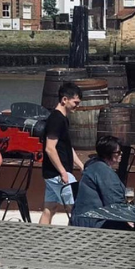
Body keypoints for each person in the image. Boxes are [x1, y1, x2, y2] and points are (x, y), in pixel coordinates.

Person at [40, 82, 83, 225]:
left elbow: (66, 146)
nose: (77, 105)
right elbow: (50, 148)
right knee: (75, 207)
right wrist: (63, 172)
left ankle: (39, 238)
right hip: (59, 174)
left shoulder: (62, 119)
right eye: (75, 102)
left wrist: (81, 165)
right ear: (64, 100)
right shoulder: (56, 119)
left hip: (52, 173)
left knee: (50, 208)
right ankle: (76, 239)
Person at [72, 135, 127, 227]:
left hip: (83, 218)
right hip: (94, 222)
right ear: (107, 154)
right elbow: (114, 202)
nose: (121, 154)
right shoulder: (103, 171)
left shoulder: (93, 165)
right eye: (118, 152)